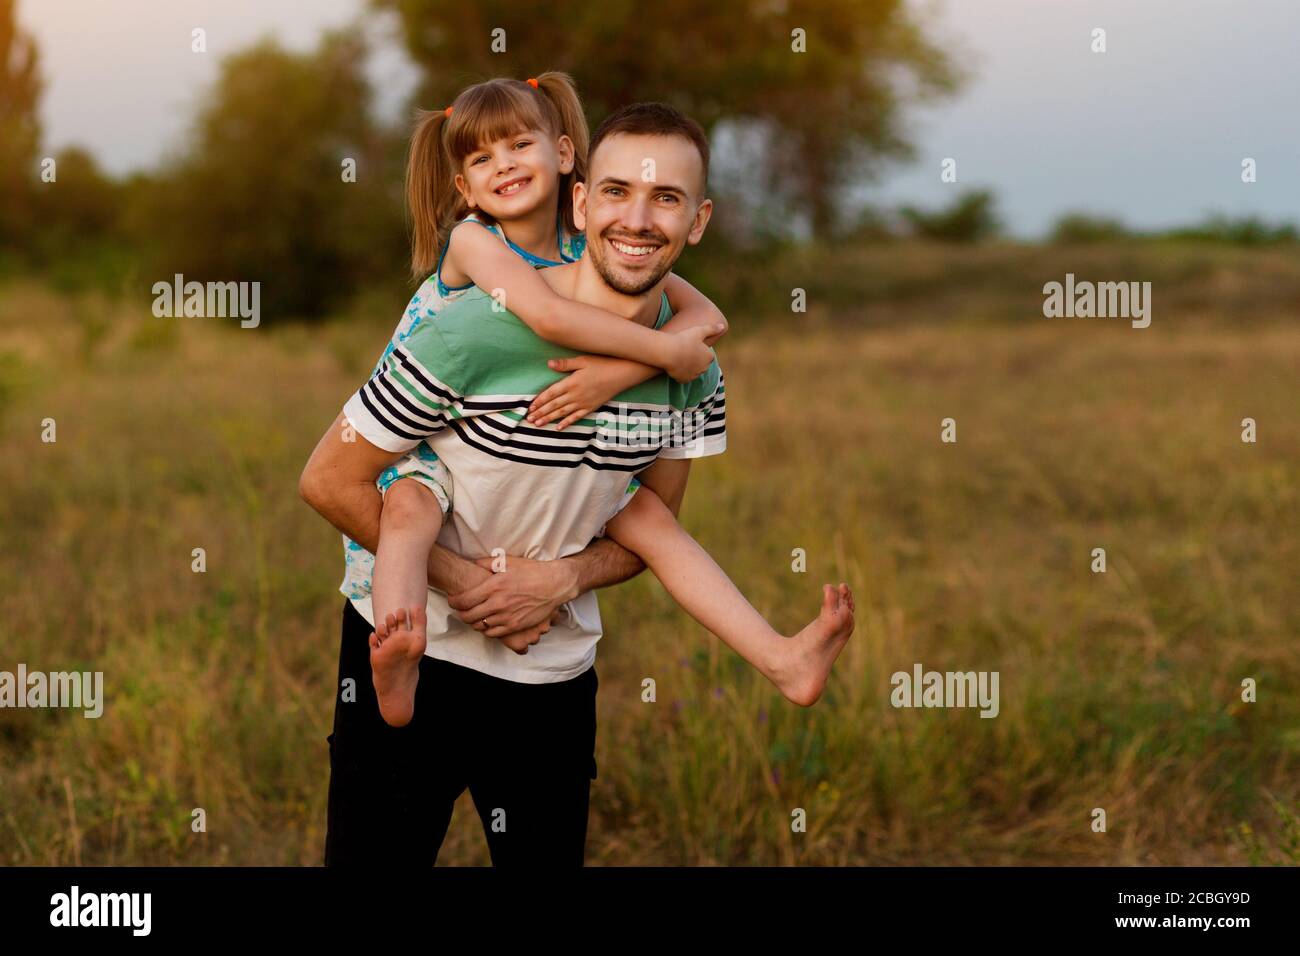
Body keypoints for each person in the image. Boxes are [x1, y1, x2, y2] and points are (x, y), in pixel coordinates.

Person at [299, 101, 853, 866]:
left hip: (552, 678)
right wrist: (474, 587)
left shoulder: (694, 374)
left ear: (698, 222)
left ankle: (783, 659)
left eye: (667, 198)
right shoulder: (473, 326)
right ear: (584, 199)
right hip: (414, 655)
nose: (640, 217)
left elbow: (651, 527)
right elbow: (328, 481)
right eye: (619, 191)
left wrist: (558, 580)